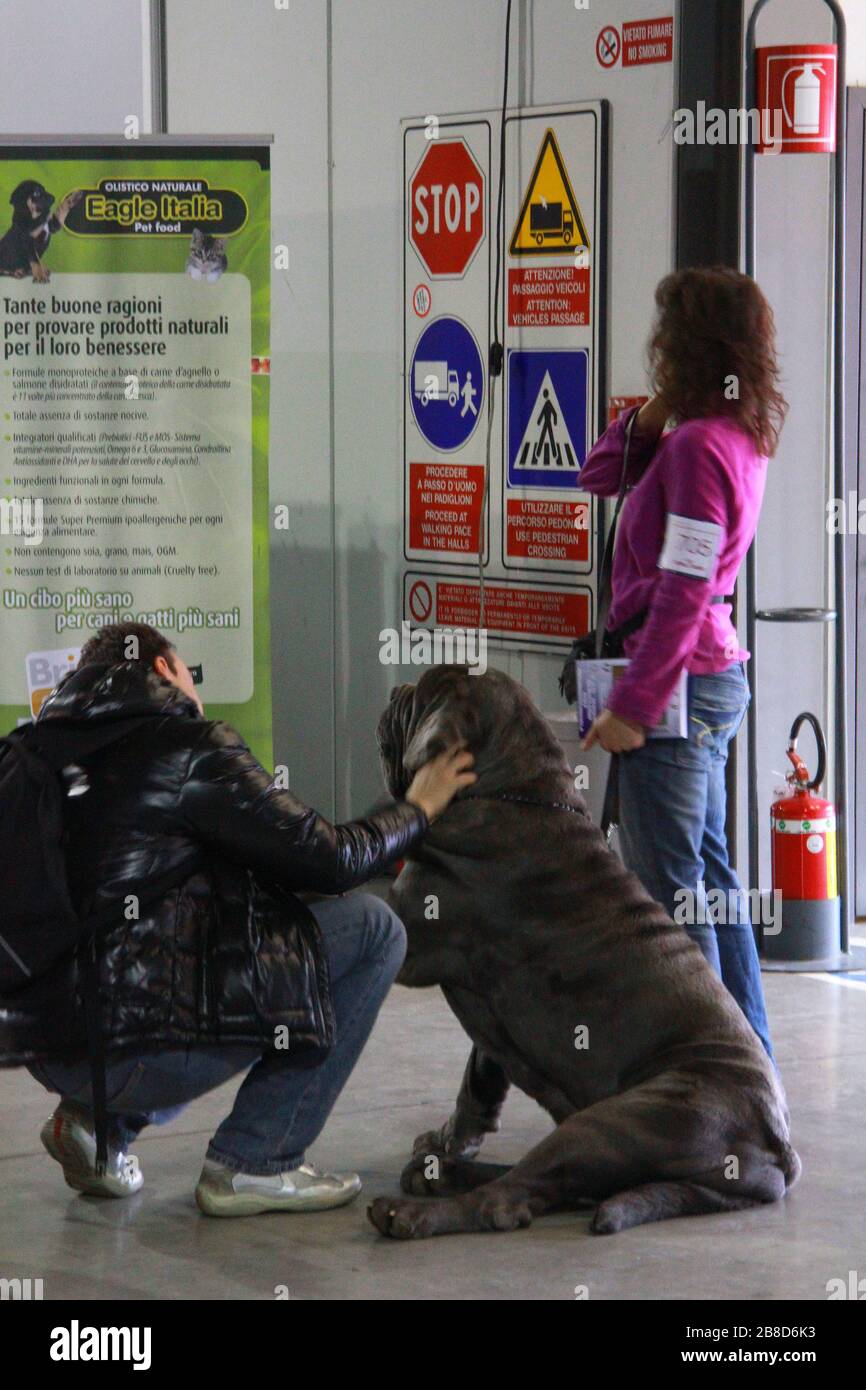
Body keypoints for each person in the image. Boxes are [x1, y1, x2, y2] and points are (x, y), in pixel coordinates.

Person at [8, 622, 475, 1214]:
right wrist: (418, 808)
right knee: (373, 930)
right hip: (137, 1053)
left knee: (188, 951)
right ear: (162, 670)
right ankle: (257, 1159)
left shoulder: (28, 752)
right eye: (188, 672)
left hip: (49, 1049)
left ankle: (98, 1124)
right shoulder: (189, 746)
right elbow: (332, 860)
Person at [579, 267, 787, 1059]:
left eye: (668, 333)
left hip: (681, 685)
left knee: (671, 894)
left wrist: (635, 706)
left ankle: (704, 1072)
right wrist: (651, 412)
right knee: (710, 879)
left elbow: (685, 587)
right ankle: (748, 1061)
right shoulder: (726, 432)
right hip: (707, 678)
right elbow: (598, 474)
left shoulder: (700, 447)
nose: (657, 344)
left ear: (689, 343)